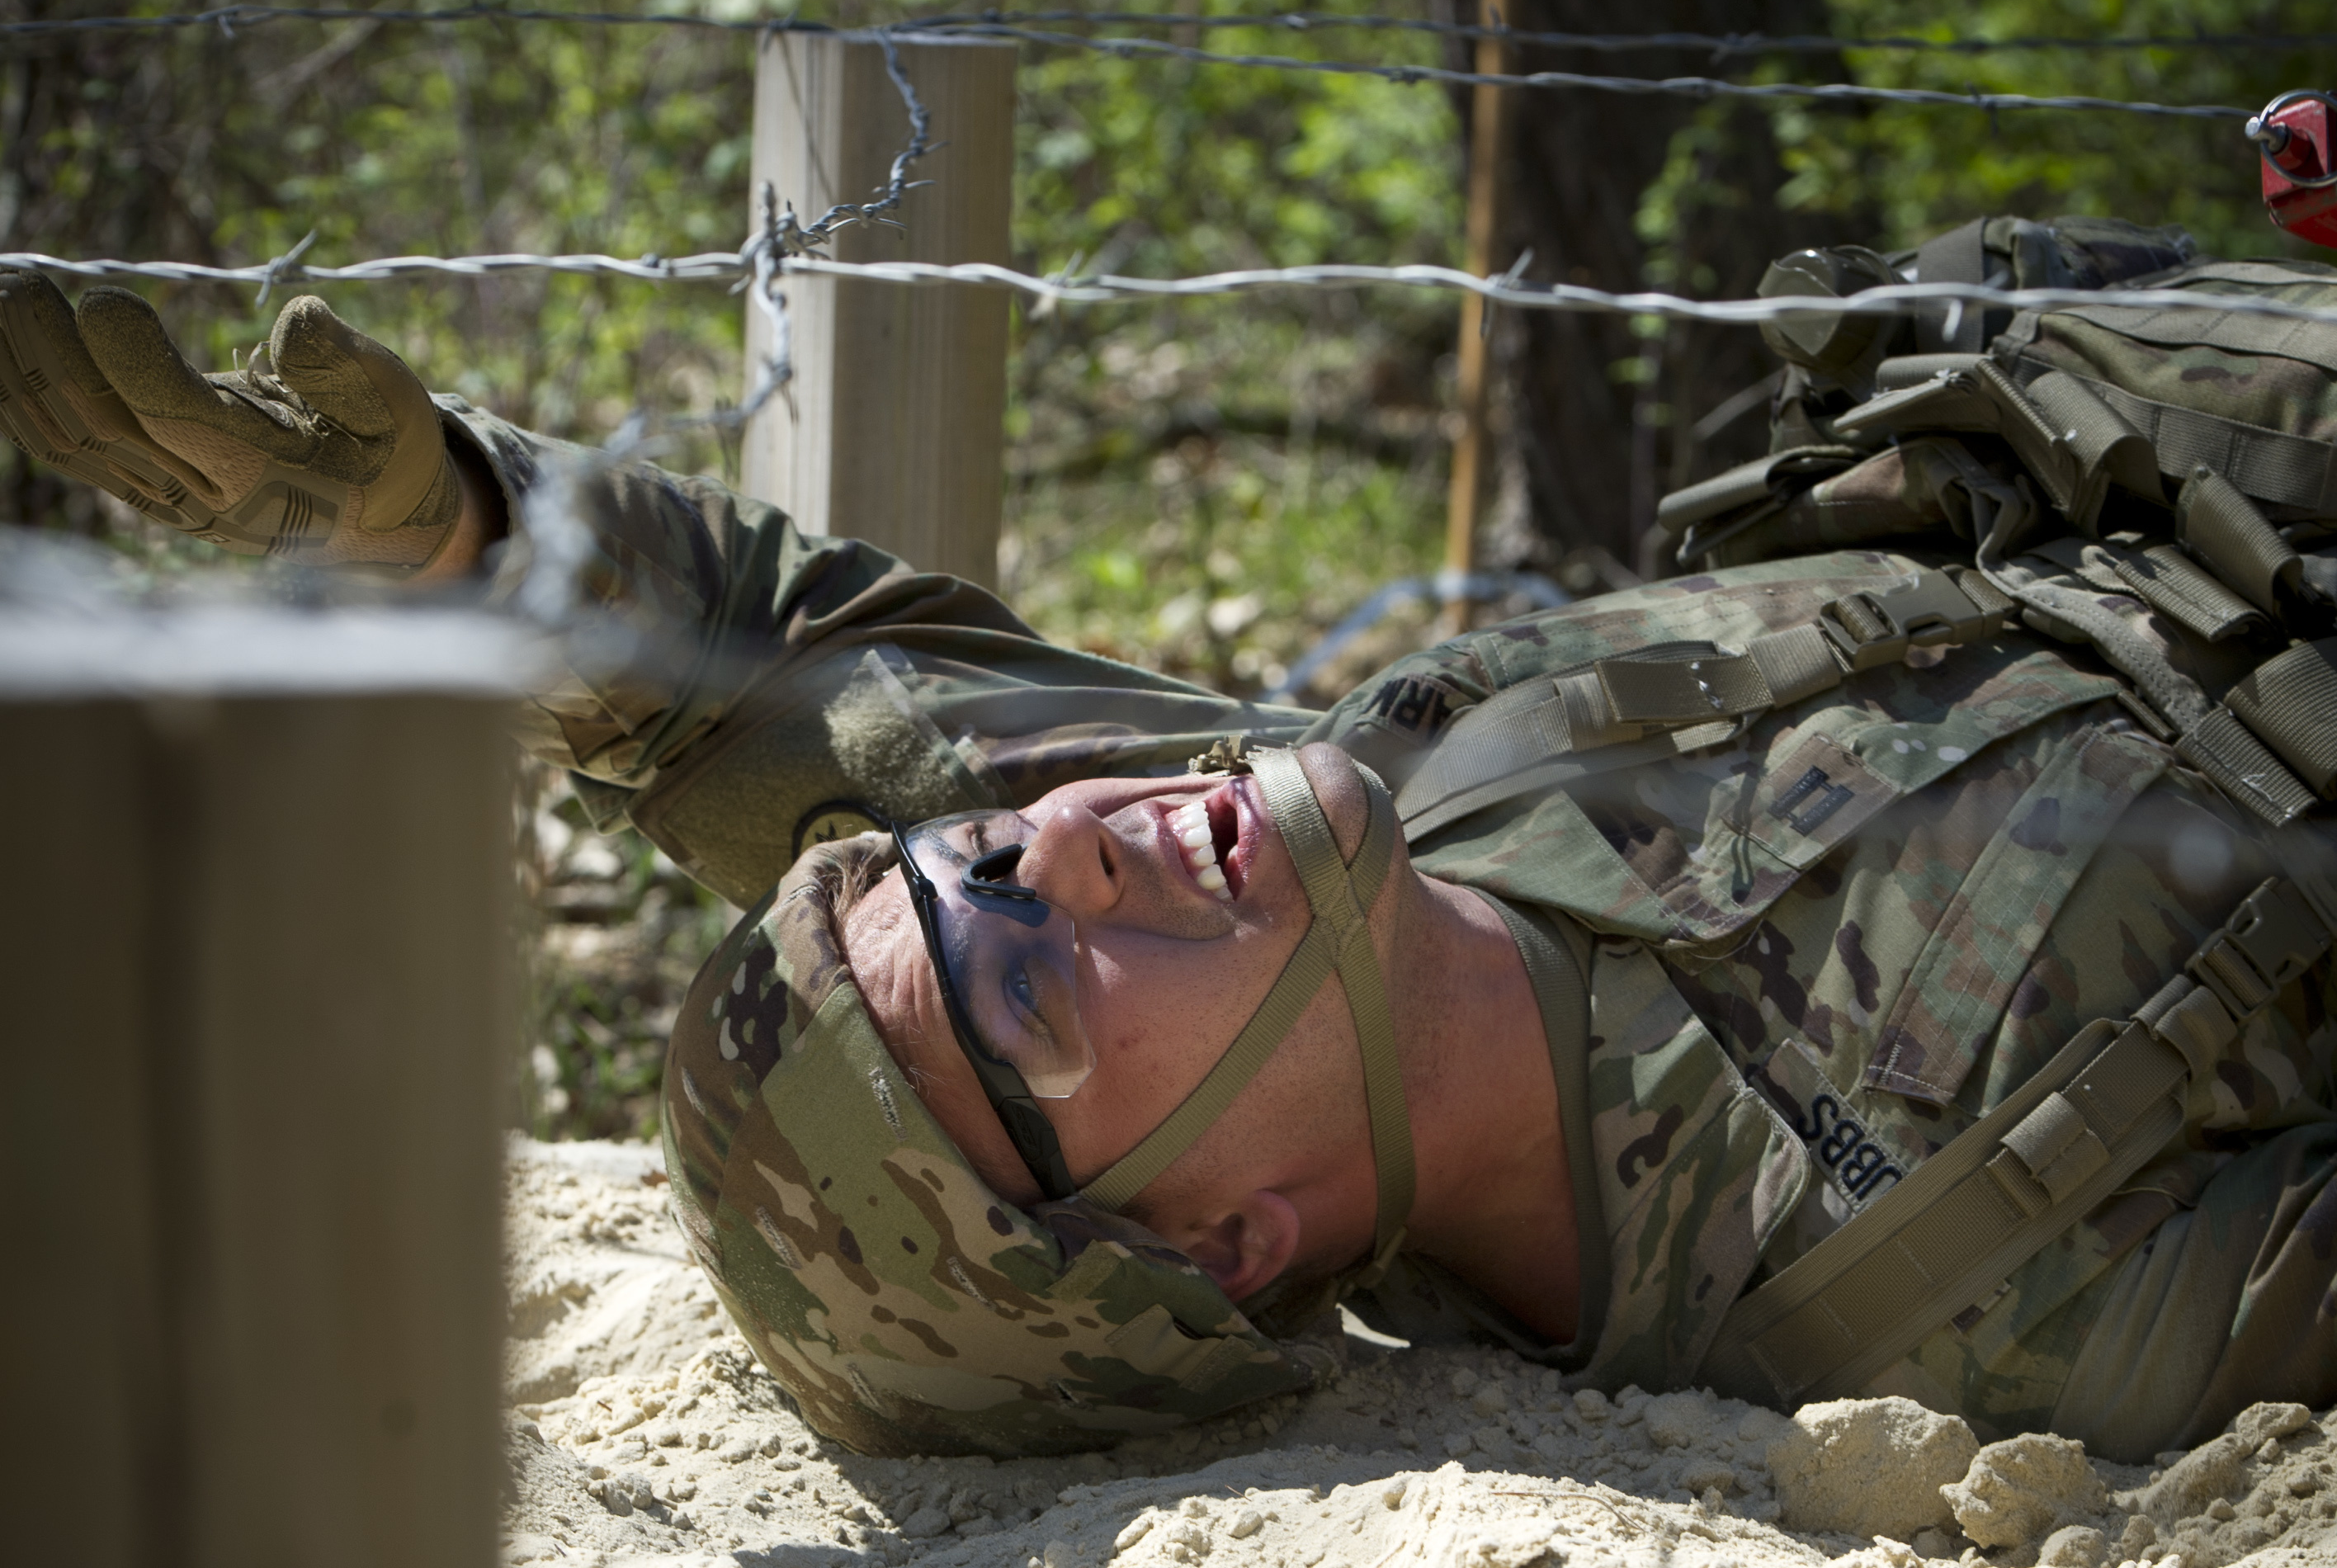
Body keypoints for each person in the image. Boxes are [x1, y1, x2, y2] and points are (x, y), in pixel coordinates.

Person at [3, 232, 2332, 1466]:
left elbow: (782, 667)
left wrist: (453, 546)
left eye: (991, 843)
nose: (1071, 838)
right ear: (1224, 1240)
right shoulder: (1960, 1296)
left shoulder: (1313, 825)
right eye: (1020, 977)